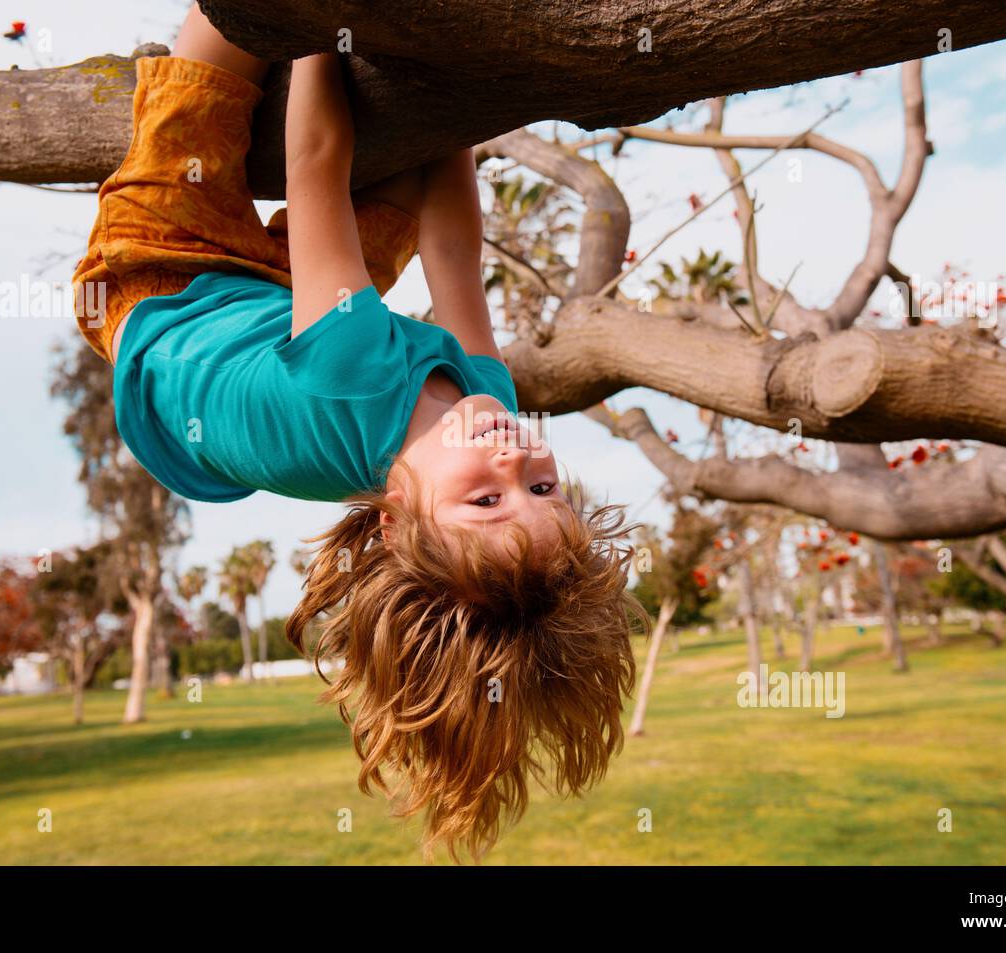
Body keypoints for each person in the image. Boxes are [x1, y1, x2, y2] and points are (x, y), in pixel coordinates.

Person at [72, 3, 646, 862]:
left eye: (487, 497)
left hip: (156, 287)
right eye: (545, 489)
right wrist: (462, 110)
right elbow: (454, 252)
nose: (516, 457)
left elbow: (314, 164)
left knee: (206, 80)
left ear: (391, 515)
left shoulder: (355, 368)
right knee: (407, 170)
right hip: (277, 309)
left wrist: (314, 26)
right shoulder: (486, 396)